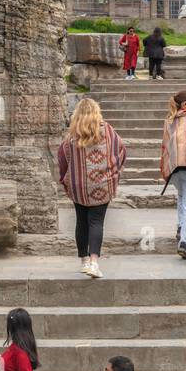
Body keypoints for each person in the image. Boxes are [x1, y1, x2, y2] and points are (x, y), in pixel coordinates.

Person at [56, 98, 127, 278]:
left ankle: (84, 261)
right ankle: (94, 263)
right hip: (101, 185)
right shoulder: (108, 132)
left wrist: (66, 179)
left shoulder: (72, 137)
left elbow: (62, 157)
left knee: (81, 221)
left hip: (78, 185)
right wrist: (114, 172)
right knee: (96, 222)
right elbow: (121, 151)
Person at [160, 89, 186, 259]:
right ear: (185, 104)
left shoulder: (169, 120)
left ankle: (180, 227)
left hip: (174, 168)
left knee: (182, 197)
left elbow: (165, 145)